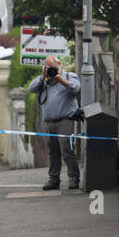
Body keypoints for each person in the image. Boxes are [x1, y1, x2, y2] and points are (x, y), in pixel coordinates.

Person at [27, 54, 81, 191]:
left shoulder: (69, 76)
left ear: (59, 65)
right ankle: (54, 179)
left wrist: (59, 79)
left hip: (65, 121)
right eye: (48, 67)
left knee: (67, 150)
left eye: (53, 67)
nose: (51, 69)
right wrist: (43, 77)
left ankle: (74, 178)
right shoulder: (45, 82)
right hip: (50, 122)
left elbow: (75, 88)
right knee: (53, 152)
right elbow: (31, 88)